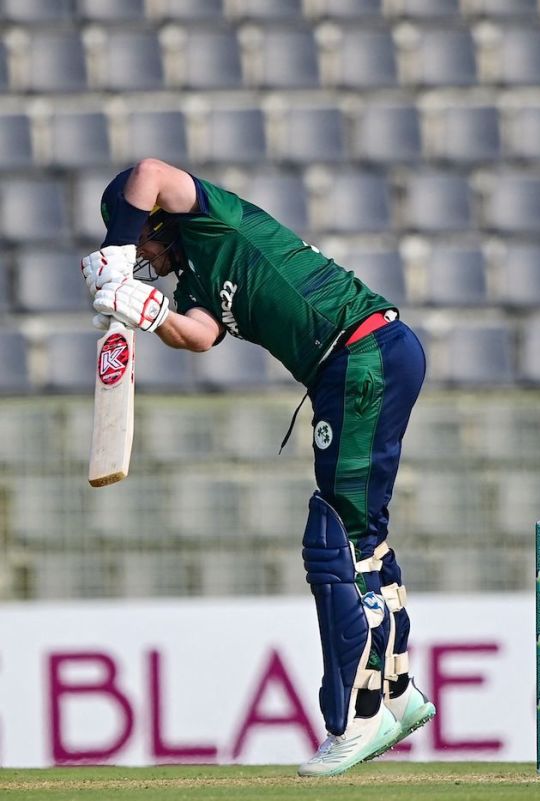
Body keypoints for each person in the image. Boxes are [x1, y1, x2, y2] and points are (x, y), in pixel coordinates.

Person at [81, 158, 435, 777]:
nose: (146, 260)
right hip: (358, 362)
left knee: (336, 538)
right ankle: (398, 693)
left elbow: (150, 171)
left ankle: (358, 717)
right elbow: (197, 335)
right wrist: (148, 313)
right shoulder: (192, 279)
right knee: (362, 535)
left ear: (158, 223)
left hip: (360, 355)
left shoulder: (214, 219)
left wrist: (113, 254)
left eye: (143, 244)